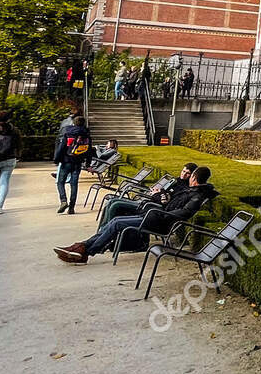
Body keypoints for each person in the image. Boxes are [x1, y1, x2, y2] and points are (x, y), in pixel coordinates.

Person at [55, 167, 217, 264]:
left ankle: (85, 251)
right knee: (116, 220)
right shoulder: (191, 191)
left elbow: (183, 213)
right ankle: (83, 247)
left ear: (194, 178)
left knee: (116, 223)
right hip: (154, 216)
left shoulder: (196, 195)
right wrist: (162, 200)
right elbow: (170, 203)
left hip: (158, 222)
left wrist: (162, 212)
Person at [96, 162, 195, 227]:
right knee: (111, 201)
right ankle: (103, 229)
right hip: (147, 200)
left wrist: (157, 193)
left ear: (192, 176)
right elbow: (163, 193)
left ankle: (105, 230)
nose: (183, 174)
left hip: (149, 205)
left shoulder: (184, 189)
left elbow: (165, 201)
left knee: (115, 204)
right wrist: (158, 191)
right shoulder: (175, 181)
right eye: (183, 171)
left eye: (187, 173)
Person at [53, 108, 93, 214]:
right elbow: (89, 151)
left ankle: (63, 201)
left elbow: (62, 148)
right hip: (78, 162)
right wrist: (88, 164)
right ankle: (71, 207)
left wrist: (56, 159)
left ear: (74, 123)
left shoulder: (68, 133)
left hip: (66, 161)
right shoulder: (87, 135)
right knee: (74, 184)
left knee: (60, 182)